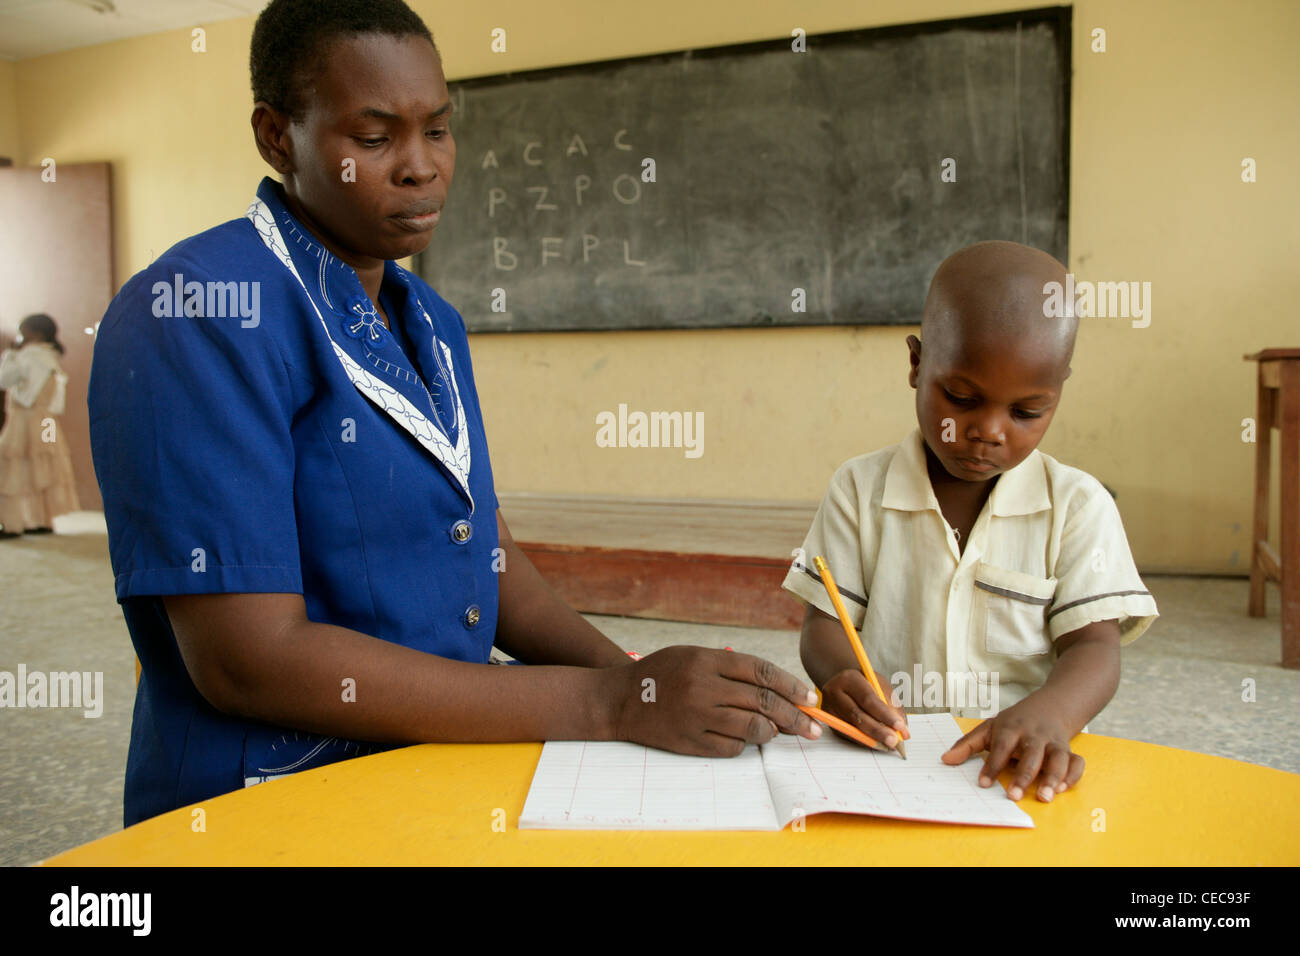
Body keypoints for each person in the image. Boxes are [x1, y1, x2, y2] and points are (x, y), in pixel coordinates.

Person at [88, 0, 820, 827]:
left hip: (441, 768)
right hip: (271, 807)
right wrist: (605, 705)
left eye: (437, 129)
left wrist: (643, 682)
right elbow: (251, 661)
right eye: (375, 139)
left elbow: (497, 572)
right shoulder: (198, 311)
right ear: (276, 136)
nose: (421, 165)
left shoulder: (431, 321)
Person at [783, 240, 1158, 803]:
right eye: (961, 396)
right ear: (916, 363)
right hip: (887, 765)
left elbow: (1095, 648)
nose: (989, 430)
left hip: (1014, 768)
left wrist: (1051, 715)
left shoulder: (1079, 507)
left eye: (1027, 412)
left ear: (1058, 391)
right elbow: (825, 626)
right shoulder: (859, 490)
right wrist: (841, 680)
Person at [0, 313, 80, 538]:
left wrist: (10, 355)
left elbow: (3, 379)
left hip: (26, 418)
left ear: (34, 333)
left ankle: (12, 522)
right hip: (47, 420)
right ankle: (42, 520)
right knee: (45, 465)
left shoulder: (26, 355)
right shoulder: (50, 356)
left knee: (15, 466)